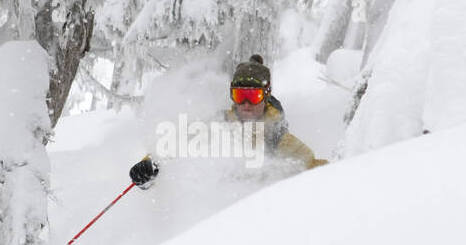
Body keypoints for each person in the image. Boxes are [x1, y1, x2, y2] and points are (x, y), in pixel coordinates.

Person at [129, 54, 327, 187]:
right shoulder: (219, 124)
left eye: (254, 96)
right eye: (240, 96)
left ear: (266, 97)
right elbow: (173, 144)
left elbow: (318, 170)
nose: (246, 104)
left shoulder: (278, 139)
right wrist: (149, 166)